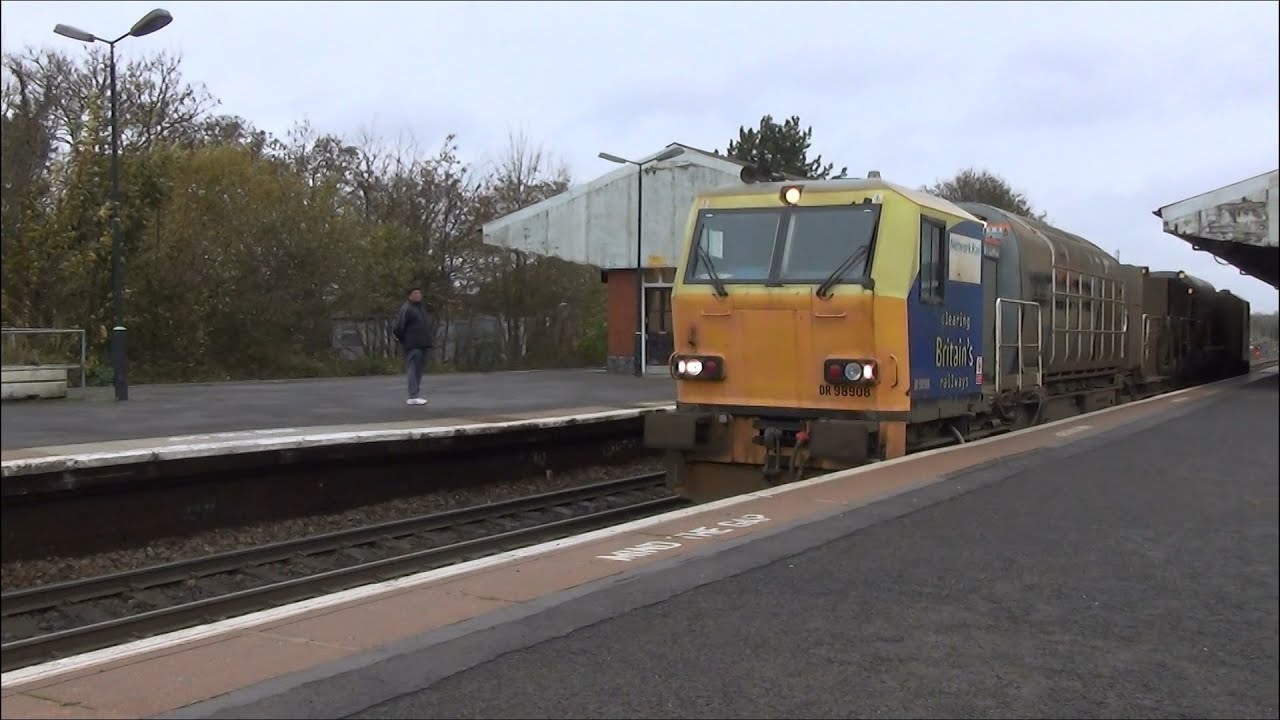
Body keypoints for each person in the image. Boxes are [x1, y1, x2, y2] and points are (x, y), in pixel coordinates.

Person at [392, 286, 433, 405]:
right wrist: (403, 339)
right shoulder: (407, 308)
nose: (418, 296)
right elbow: (399, 326)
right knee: (413, 369)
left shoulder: (420, 308)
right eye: (415, 294)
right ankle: (413, 396)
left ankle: (416, 394)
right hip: (412, 344)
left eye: (419, 293)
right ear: (410, 295)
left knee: (418, 370)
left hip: (422, 343)